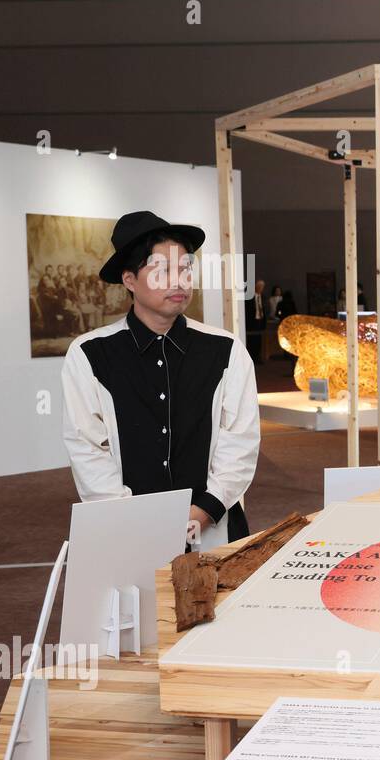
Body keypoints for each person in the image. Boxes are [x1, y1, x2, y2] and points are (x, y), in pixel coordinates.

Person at [61, 211, 261, 544]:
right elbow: (87, 449)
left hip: (214, 529)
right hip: (128, 533)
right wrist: (137, 521)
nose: (178, 280)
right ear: (129, 280)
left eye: (185, 268)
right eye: (162, 270)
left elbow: (241, 440)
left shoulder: (225, 350)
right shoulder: (90, 354)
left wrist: (202, 511)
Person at [245, 278, 267, 362]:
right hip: (252, 322)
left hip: (260, 321)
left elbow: (264, 309)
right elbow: (247, 310)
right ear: (256, 287)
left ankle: (258, 357)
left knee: (259, 340)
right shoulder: (250, 297)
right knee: (252, 340)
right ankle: (252, 358)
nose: (261, 288)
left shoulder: (263, 297)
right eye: (260, 286)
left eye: (262, 287)